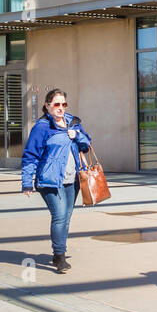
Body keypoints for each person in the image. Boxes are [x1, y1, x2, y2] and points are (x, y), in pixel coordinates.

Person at [20, 89, 92, 274]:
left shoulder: (73, 123)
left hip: (72, 178)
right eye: (56, 104)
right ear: (47, 106)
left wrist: (78, 136)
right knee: (59, 216)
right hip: (49, 181)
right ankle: (59, 256)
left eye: (63, 104)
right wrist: (27, 182)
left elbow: (86, 145)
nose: (61, 108)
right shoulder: (42, 127)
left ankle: (58, 251)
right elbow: (30, 155)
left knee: (66, 218)